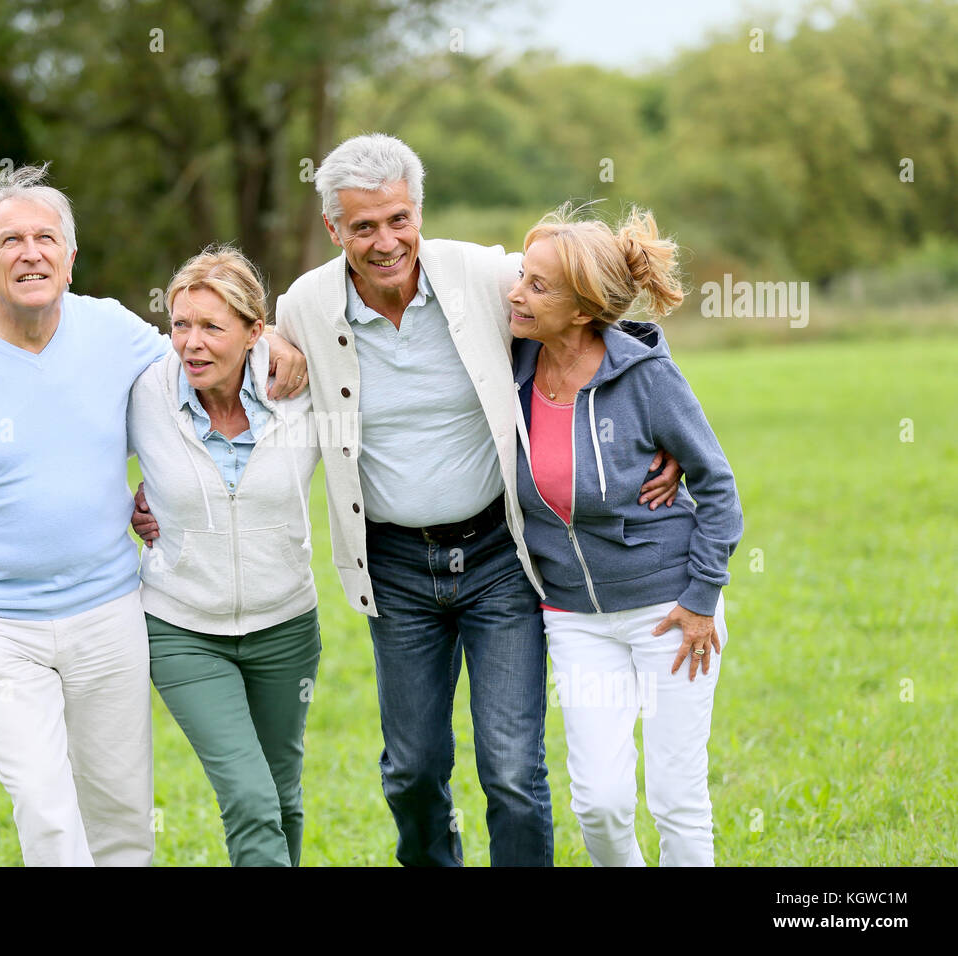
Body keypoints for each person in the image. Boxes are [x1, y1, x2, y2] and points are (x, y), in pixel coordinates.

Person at [136, 134, 683, 867]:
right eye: (363, 226)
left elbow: (601, 305)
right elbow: (239, 357)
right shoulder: (305, 307)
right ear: (334, 230)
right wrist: (166, 481)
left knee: (513, 771)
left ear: (417, 211)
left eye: (399, 219)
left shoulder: (483, 275)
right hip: (394, 567)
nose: (386, 241)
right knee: (413, 770)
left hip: (498, 556)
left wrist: (663, 418)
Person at [0, 164, 306, 867]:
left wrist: (277, 341)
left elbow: (200, 360)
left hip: (109, 612)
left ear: (70, 258)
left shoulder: (114, 333)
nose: (30, 252)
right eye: (10, 241)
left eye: (46, 237)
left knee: (123, 818)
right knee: (47, 814)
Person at [506, 203, 743, 866]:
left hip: (670, 612)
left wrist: (701, 600)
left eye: (536, 286)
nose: (515, 293)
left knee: (676, 798)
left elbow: (719, 490)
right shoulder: (513, 366)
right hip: (575, 618)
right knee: (600, 805)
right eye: (521, 277)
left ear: (582, 311)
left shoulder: (646, 378)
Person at [127, 245, 320, 866]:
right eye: (181, 324)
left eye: (212, 326)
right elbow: (60, 432)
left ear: (254, 331)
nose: (192, 343)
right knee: (250, 798)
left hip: (287, 626)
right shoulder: (144, 390)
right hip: (183, 627)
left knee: (283, 797)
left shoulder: (301, 387)